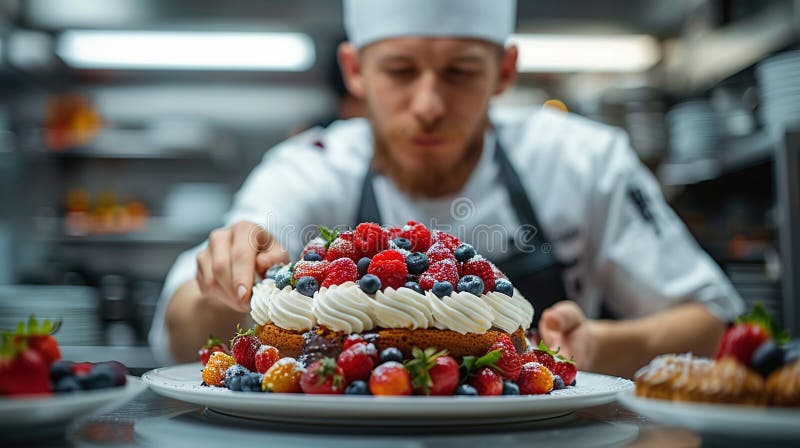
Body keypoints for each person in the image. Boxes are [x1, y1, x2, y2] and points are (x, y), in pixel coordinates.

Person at [150, 0, 743, 378]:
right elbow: (180, 336)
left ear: (505, 70)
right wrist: (219, 283)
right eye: (401, 71)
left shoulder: (583, 159)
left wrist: (596, 346)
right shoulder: (310, 167)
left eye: (460, 72)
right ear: (356, 71)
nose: (429, 105)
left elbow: (713, 323)